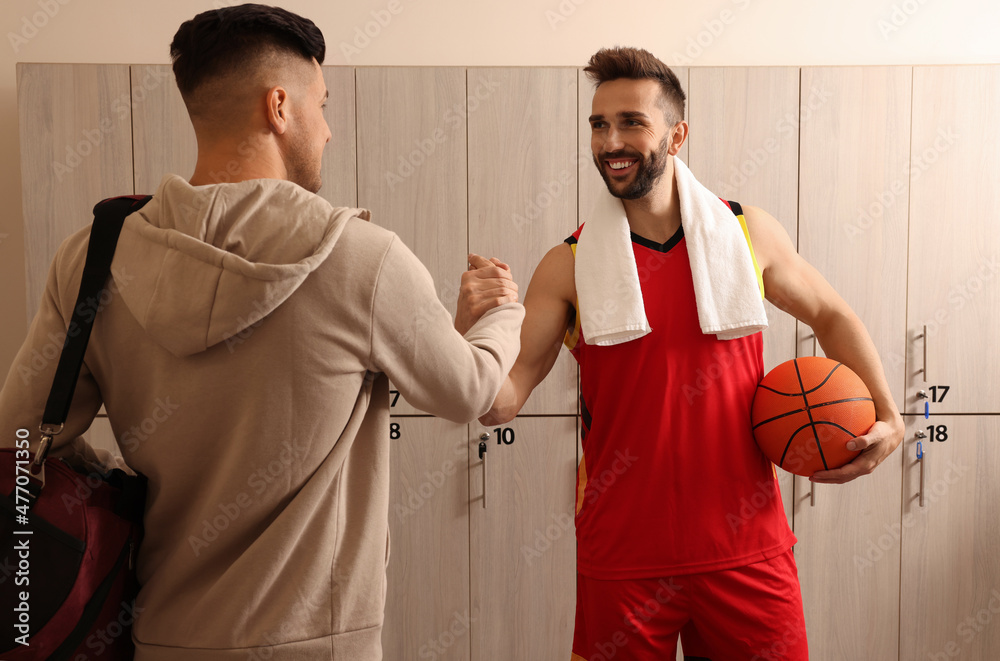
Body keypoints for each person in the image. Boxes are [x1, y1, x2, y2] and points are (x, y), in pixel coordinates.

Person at [0, 5, 522, 660]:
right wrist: (503, 311)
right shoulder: (362, 259)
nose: (328, 130)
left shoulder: (92, 258)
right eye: (322, 104)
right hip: (318, 645)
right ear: (279, 105)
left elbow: (18, 436)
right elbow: (474, 391)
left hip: (161, 635)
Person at [479, 46, 904, 661]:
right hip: (623, 557)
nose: (610, 141)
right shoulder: (566, 265)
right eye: (598, 124)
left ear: (676, 134)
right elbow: (501, 400)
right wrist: (482, 329)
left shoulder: (746, 233)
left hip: (746, 548)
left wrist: (888, 415)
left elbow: (832, 315)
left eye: (631, 122)